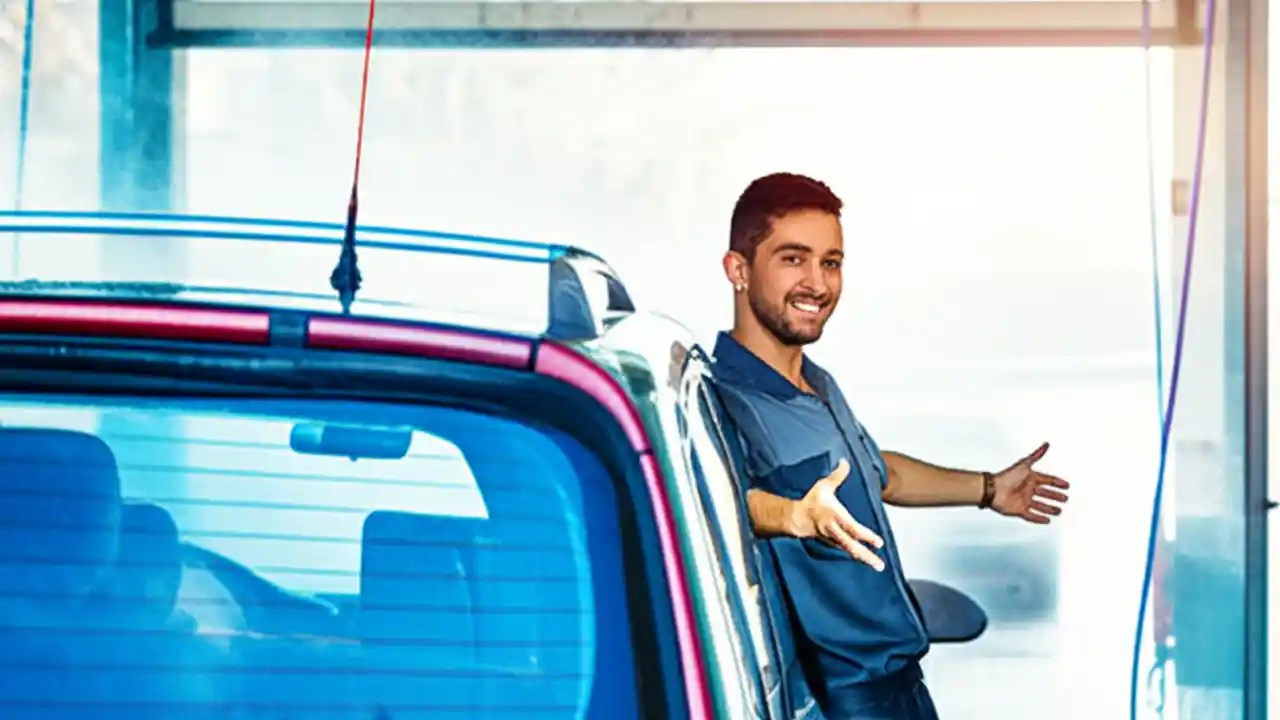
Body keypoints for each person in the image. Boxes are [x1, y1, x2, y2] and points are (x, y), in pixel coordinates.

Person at [707, 172, 1071, 720]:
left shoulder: (816, 383)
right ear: (738, 269)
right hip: (838, 697)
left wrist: (989, 489)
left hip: (901, 685)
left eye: (831, 262)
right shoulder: (726, 399)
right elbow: (723, 502)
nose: (818, 282)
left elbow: (881, 476)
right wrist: (793, 516)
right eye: (793, 259)